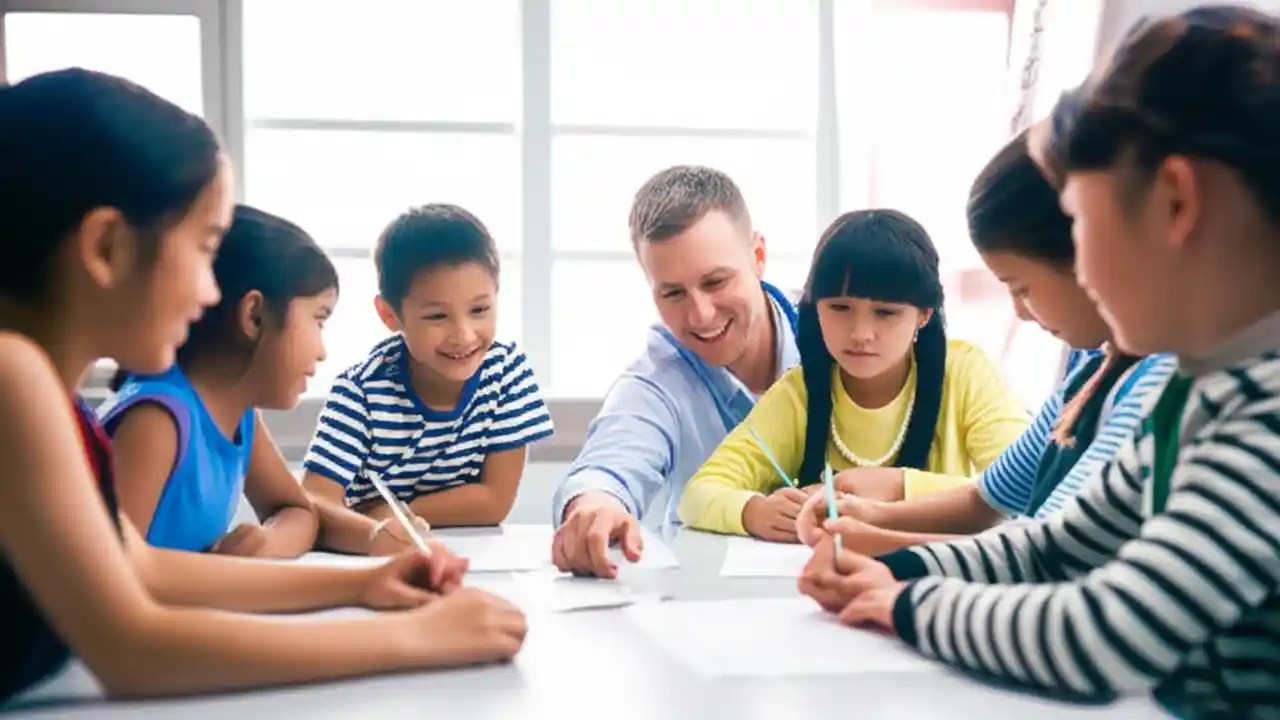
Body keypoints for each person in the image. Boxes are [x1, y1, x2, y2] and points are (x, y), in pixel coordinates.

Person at [799, 7, 1280, 716]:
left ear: (1176, 202)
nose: (1079, 265)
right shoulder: (1186, 392)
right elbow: (1054, 549)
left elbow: (1107, 633)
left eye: (1082, 225)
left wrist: (908, 605)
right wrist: (891, 564)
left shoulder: (1265, 413)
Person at [0, 68, 524, 703]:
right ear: (107, 246)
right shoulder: (13, 375)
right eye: (202, 248)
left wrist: (366, 583)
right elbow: (132, 648)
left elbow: (138, 565)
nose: (210, 291)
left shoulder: (53, 404)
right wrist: (423, 639)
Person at [793, 132, 1175, 553]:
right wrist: (873, 516)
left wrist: (887, 546)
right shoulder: (1091, 374)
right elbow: (986, 500)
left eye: (1022, 287)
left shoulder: (1157, 380)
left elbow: (1051, 549)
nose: (1021, 312)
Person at [678, 209, 1028, 540]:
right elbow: (698, 494)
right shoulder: (799, 393)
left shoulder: (966, 372)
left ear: (923, 315)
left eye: (885, 313)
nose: (861, 333)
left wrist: (896, 486)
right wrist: (752, 511)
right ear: (816, 308)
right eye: (840, 308)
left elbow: (1029, 486)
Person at [105, 205, 430, 557]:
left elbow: (297, 509)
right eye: (318, 320)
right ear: (255, 316)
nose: (322, 352)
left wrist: (276, 541)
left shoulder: (240, 416)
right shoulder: (156, 421)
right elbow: (112, 575)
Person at [550, 165, 799, 577]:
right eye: (673, 293)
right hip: (710, 614)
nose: (700, 315)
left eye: (716, 281)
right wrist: (594, 507)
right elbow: (611, 463)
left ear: (758, 257)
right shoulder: (657, 382)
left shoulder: (841, 332)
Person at [302, 204, 554, 528]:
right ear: (390, 315)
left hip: (469, 556)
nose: (463, 336)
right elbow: (316, 501)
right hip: (373, 555)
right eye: (437, 316)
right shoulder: (360, 394)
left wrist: (393, 512)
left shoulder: (507, 373)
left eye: (479, 309)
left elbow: (494, 503)